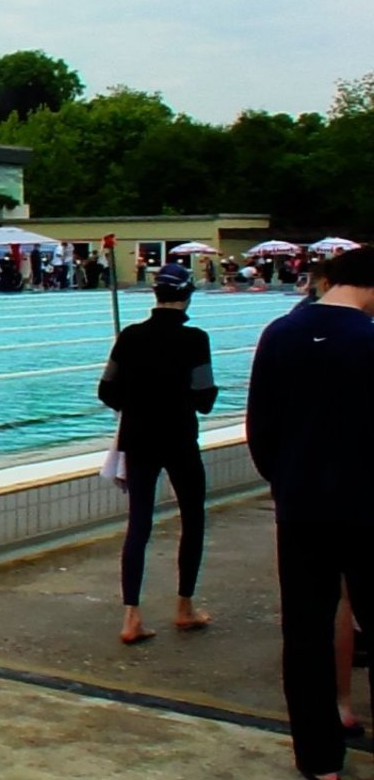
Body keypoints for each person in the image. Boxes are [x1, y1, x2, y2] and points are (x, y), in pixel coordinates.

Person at [247, 245, 374, 780]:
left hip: (300, 505)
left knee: (306, 630)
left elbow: (261, 426)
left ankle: (319, 757)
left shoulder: (279, 333)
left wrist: (286, 480)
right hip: (368, 505)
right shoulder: (371, 339)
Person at [98, 263, 216, 647]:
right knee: (193, 519)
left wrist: (135, 403)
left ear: (156, 295)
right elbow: (205, 399)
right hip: (179, 438)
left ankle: (131, 617)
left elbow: (106, 390)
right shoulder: (195, 339)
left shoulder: (130, 337)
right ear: (187, 296)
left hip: (140, 439)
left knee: (139, 526)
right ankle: (184, 607)